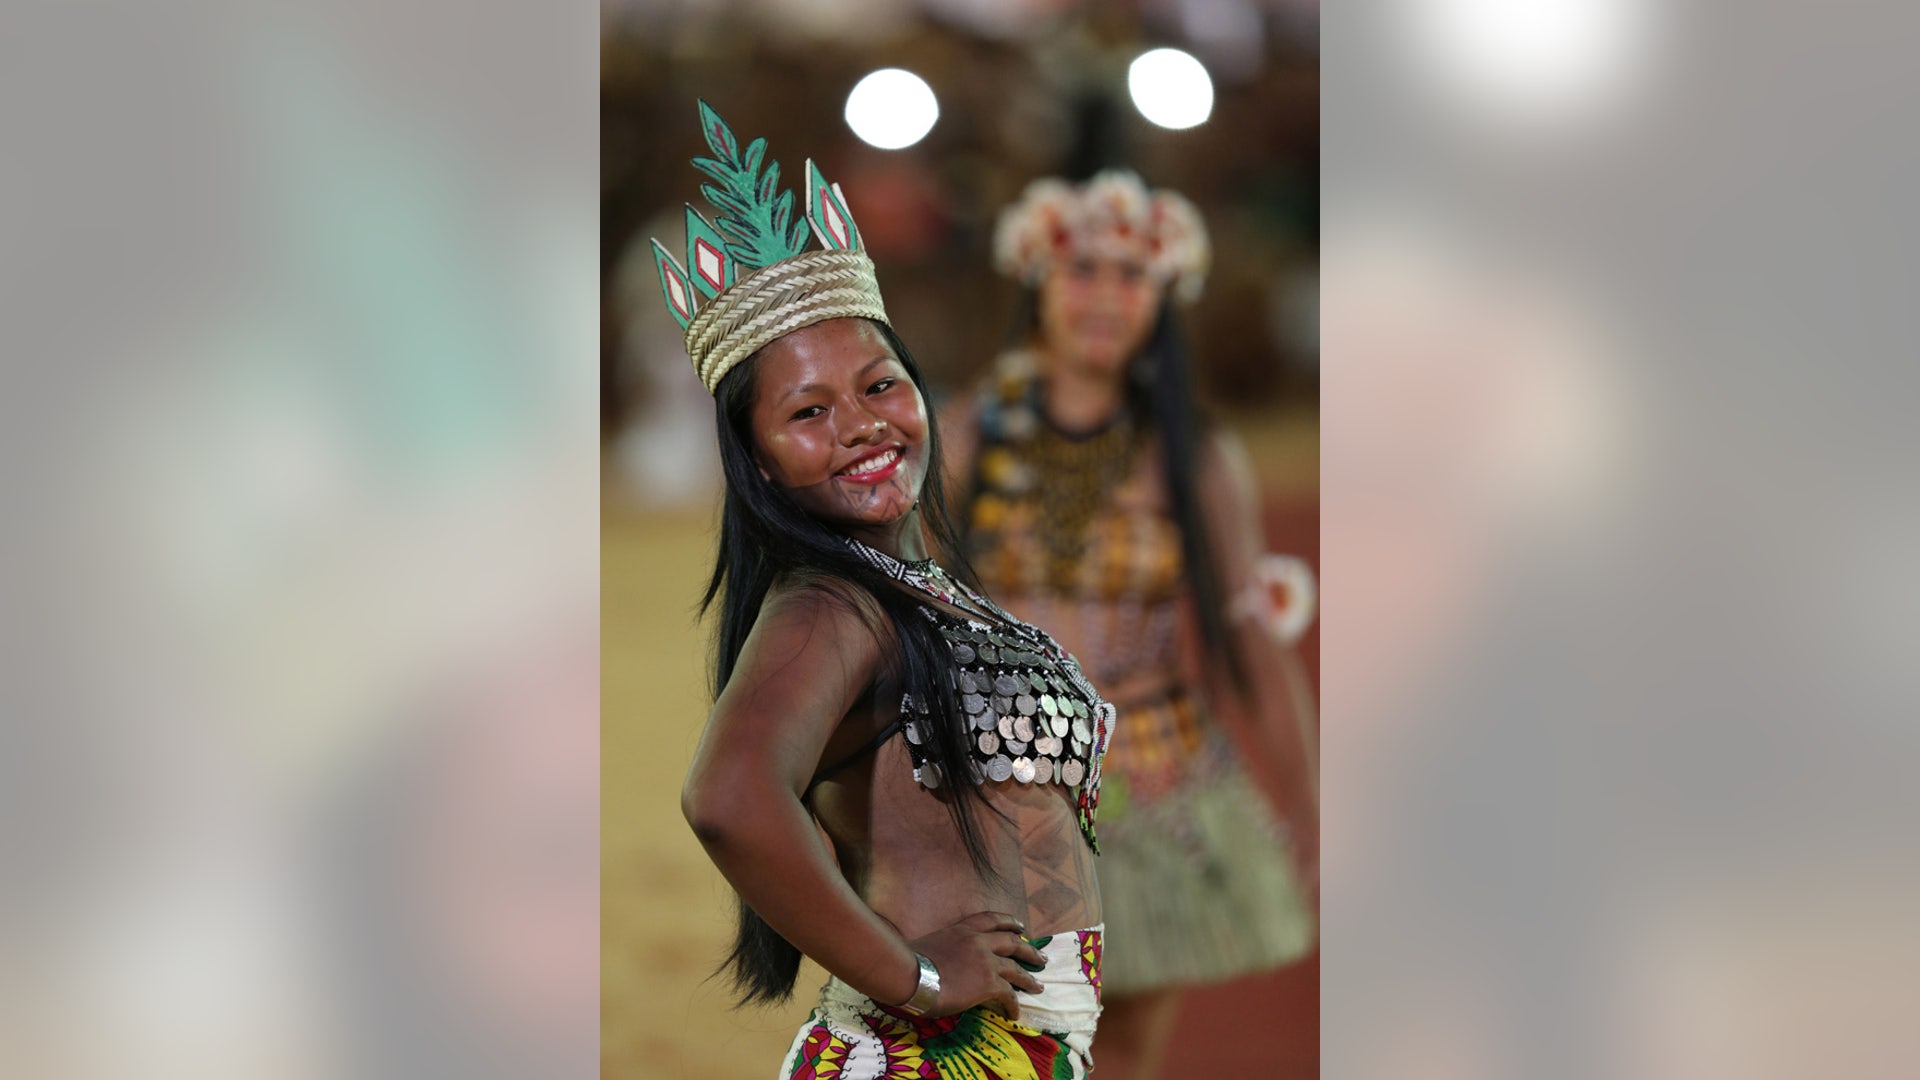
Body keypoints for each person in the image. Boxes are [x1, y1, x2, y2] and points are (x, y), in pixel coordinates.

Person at [658, 103, 1114, 1079]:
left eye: (879, 385)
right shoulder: (832, 604)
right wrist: (916, 978)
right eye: (808, 412)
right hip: (932, 1055)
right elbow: (728, 795)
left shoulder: (911, 590)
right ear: (762, 463)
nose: (862, 426)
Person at [943, 171, 1320, 1078]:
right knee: (994, 1044)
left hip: (1151, 793)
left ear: (1164, 295)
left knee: (1115, 1053)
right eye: (1081, 271)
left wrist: (1305, 804)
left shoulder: (1196, 456)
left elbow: (1250, 649)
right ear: (1036, 285)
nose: (1105, 296)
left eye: (1130, 274)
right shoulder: (967, 438)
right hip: (996, 795)